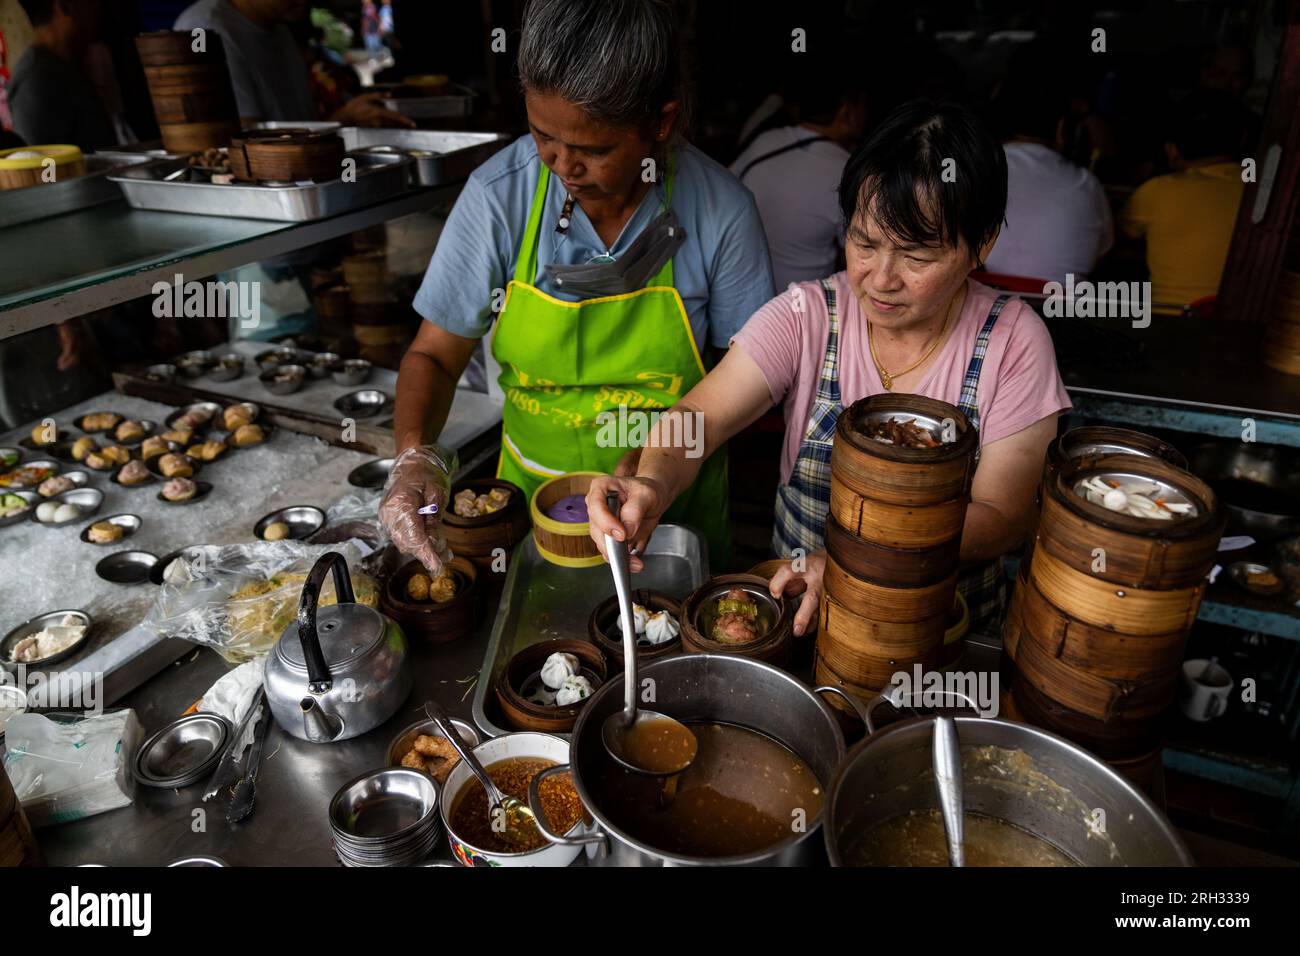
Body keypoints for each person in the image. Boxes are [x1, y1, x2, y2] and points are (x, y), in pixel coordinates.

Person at [586, 100, 1072, 637]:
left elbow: (1003, 518)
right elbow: (699, 419)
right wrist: (652, 482)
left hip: (946, 641)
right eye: (864, 242)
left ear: (981, 245)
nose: (880, 279)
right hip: (799, 625)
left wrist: (852, 562)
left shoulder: (1014, 341)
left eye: (917, 257)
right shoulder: (808, 314)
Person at [379, 0, 775, 575]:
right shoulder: (500, 197)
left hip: (667, 511)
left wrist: (658, 463)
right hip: (527, 514)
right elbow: (435, 355)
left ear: (660, 123)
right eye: (543, 136)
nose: (562, 166)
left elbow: (752, 378)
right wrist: (413, 458)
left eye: (593, 150)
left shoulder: (721, 211)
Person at [730, 58, 867, 291]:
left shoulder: (765, 141)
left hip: (741, 293)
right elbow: (860, 260)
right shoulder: (848, 172)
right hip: (799, 311)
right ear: (847, 113)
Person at [175, 0, 411, 126]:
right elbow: (242, 141)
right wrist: (342, 121)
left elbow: (300, 121)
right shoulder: (205, 27)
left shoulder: (279, 28)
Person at [1118, 89, 1250, 311]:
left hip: (1170, 324)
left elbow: (1120, 236)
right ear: (1243, 138)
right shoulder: (1257, 191)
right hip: (1240, 327)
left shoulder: (1157, 190)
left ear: (1171, 150)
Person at [984, 72, 1113, 285]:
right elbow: (1100, 254)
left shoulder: (976, 169)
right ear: (1062, 128)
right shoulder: (1085, 182)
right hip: (1063, 313)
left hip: (989, 311)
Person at [8, 0, 116, 150]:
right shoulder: (36, 81)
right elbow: (46, 169)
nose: (98, 7)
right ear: (64, 7)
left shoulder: (67, 63)